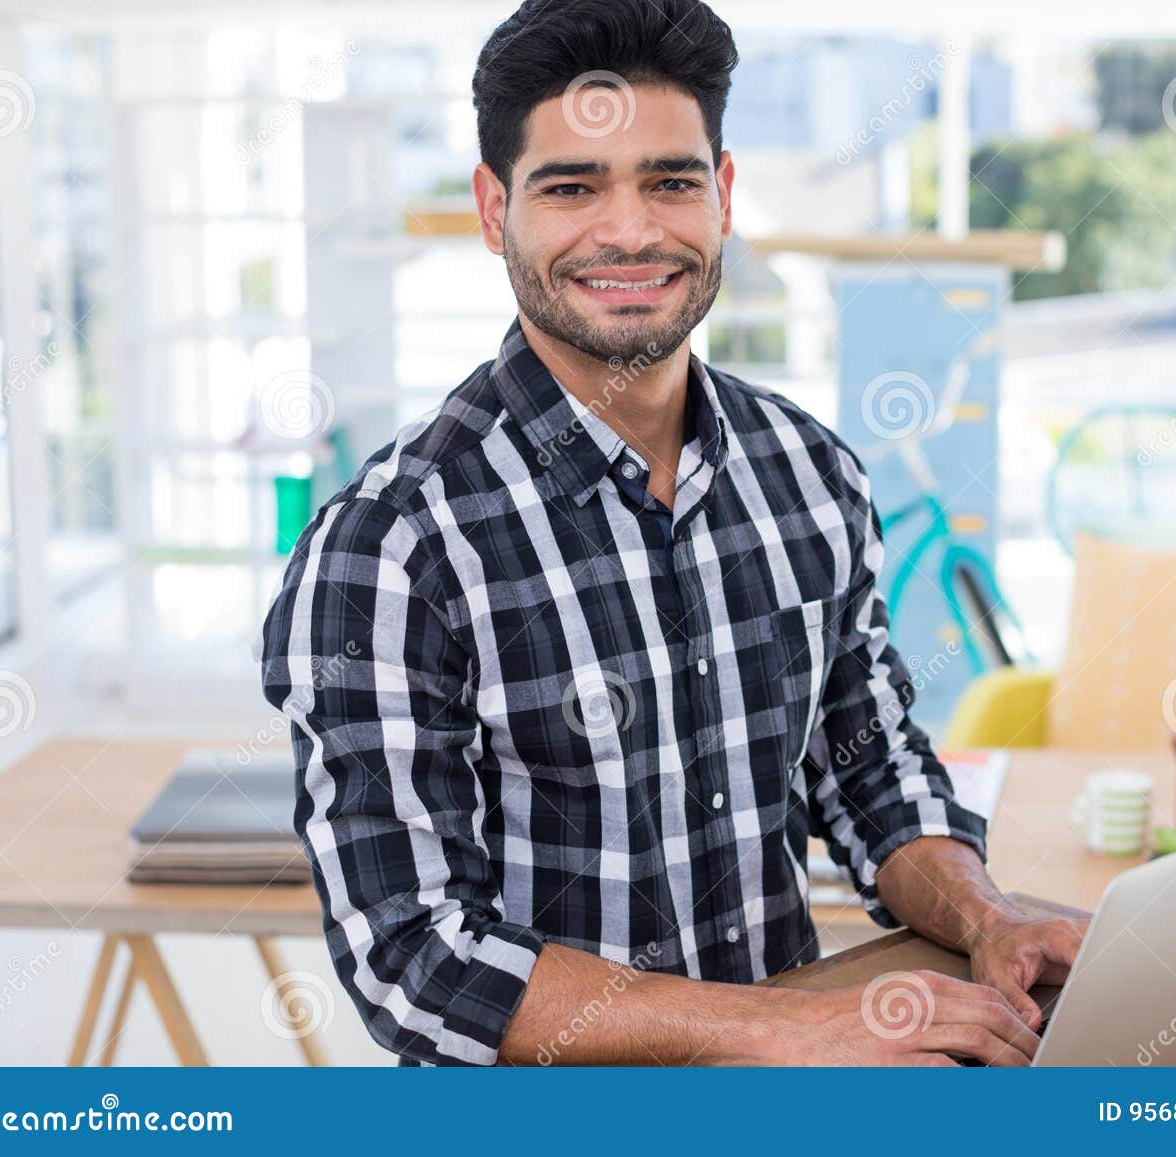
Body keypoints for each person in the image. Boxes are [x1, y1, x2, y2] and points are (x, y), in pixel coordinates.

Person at [260, 0, 1081, 1067]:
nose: (632, 231)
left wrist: (986, 914)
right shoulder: (391, 545)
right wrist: (784, 1025)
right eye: (571, 187)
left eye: (670, 181)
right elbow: (416, 961)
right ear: (492, 206)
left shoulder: (808, 470)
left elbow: (869, 769)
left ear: (724, 195)